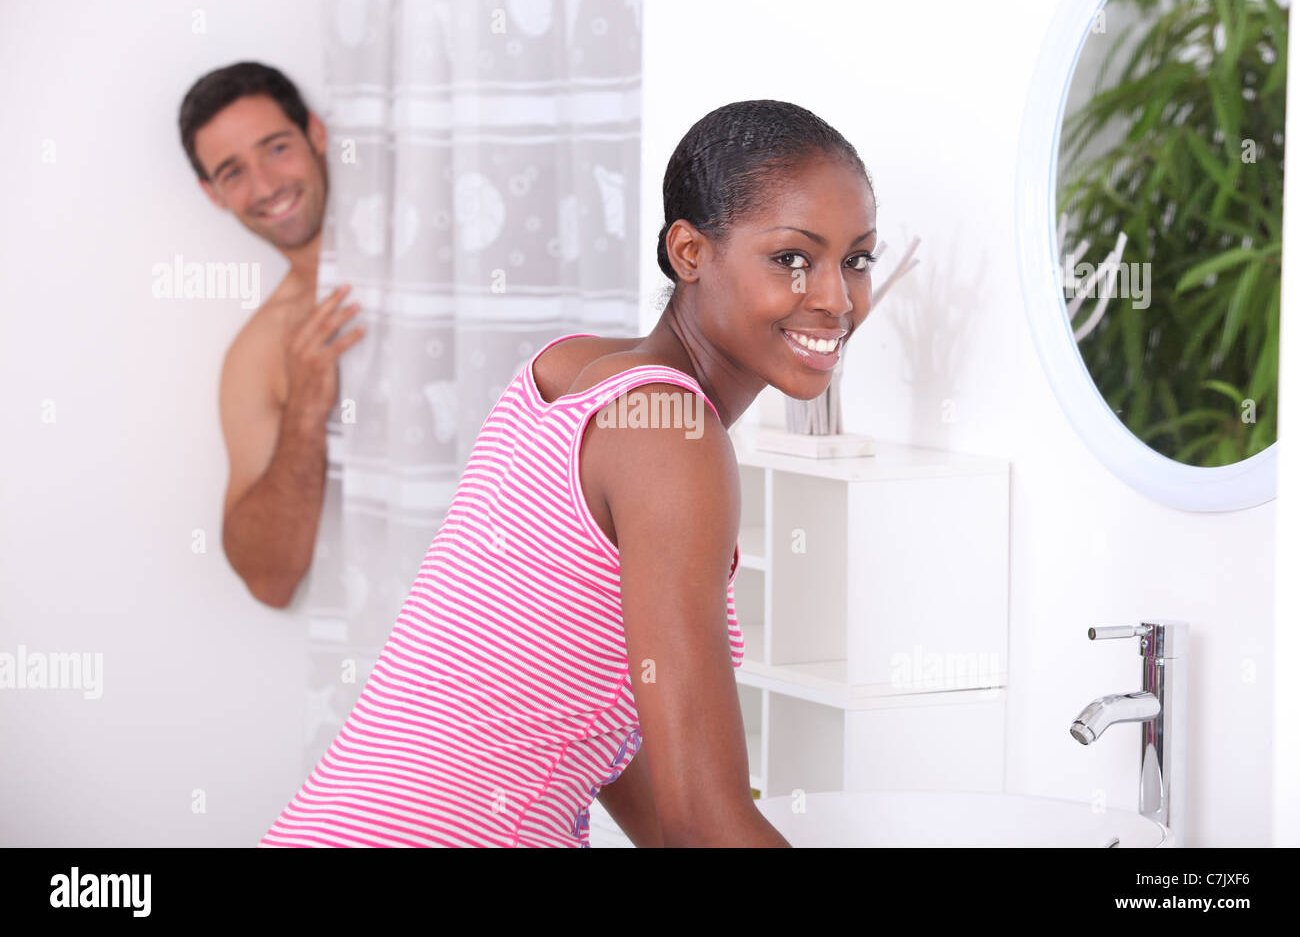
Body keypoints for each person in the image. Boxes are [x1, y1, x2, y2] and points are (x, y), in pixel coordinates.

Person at [258, 98, 877, 847]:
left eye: (857, 259)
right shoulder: (672, 436)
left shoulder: (569, 369)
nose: (837, 298)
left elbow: (584, 718)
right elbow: (703, 822)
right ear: (689, 253)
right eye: (791, 259)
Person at [179, 61, 364, 608]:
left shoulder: (422, 251)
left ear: (316, 132)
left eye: (277, 147)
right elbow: (269, 578)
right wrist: (305, 408)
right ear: (212, 193)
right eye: (233, 172)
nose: (265, 185)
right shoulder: (259, 354)